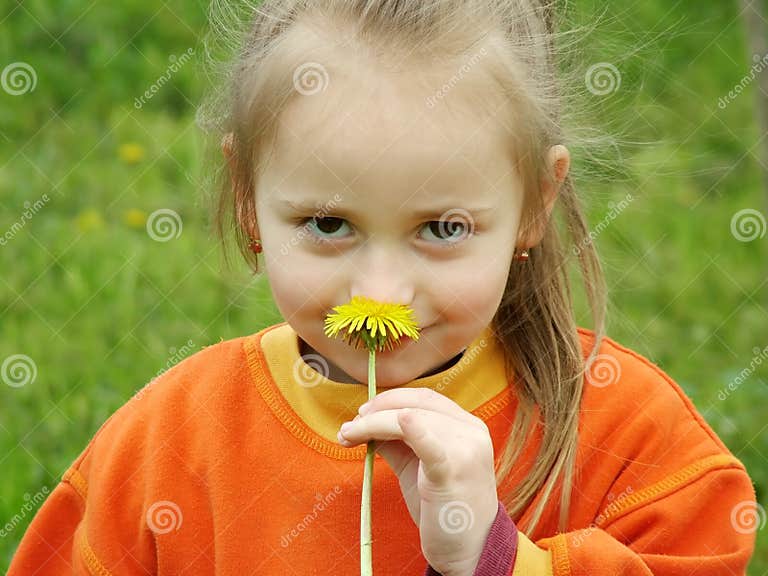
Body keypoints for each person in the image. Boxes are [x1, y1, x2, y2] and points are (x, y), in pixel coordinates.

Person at [8, 1, 758, 574]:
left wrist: (495, 556)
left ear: (535, 202)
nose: (381, 291)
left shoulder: (632, 442)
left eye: (442, 229)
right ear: (247, 198)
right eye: (329, 223)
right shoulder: (168, 445)